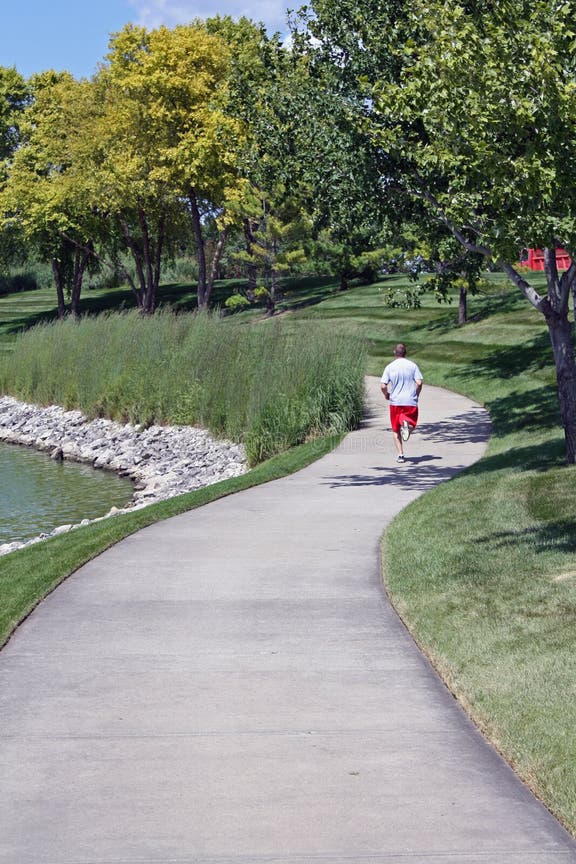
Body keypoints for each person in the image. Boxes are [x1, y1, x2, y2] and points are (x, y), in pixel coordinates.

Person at [381, 343, 423, 463]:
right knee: (411, 424)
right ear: (405, 353)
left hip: (395, 401)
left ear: (395, 352)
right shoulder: (413, 366)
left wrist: (386, 395)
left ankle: (400, 455)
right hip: (410, 401)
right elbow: (419, 383)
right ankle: (408, 427)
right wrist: (417, 394)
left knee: (395, 430)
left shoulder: (389, 367)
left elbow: (383, 385)